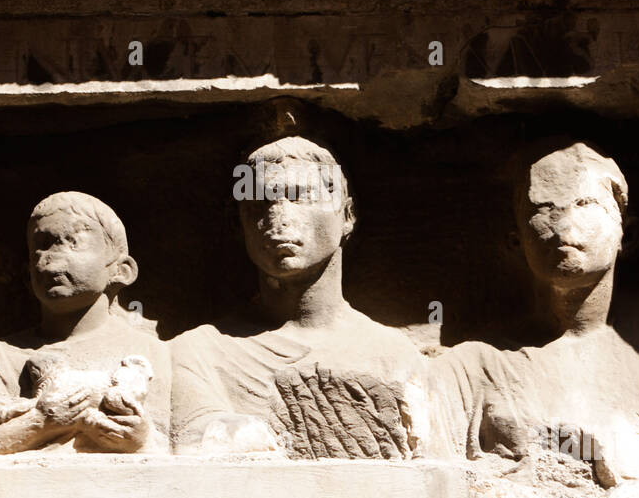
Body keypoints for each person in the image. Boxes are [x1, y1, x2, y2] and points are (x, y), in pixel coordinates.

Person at [171, 136, 463, 459]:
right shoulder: (198, 355)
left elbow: (437, 485)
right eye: (260, 203)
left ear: (347, 216)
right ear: (236, 223)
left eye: (301, 197)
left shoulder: (394, 358)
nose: (279, 218)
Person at [448, 140, 639, 484]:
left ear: (627, 233)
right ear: (515, 242)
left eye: (584, 203)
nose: (562, 227)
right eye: (543, 209)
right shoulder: (477, 367)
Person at [0, 192, 170, 455]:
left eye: (72, 242)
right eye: (41, 244)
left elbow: (183, 450)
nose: (50, 259)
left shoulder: (155, 354)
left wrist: (142, 440)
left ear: (121, 270)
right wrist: (42, 422)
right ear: (27, 274)